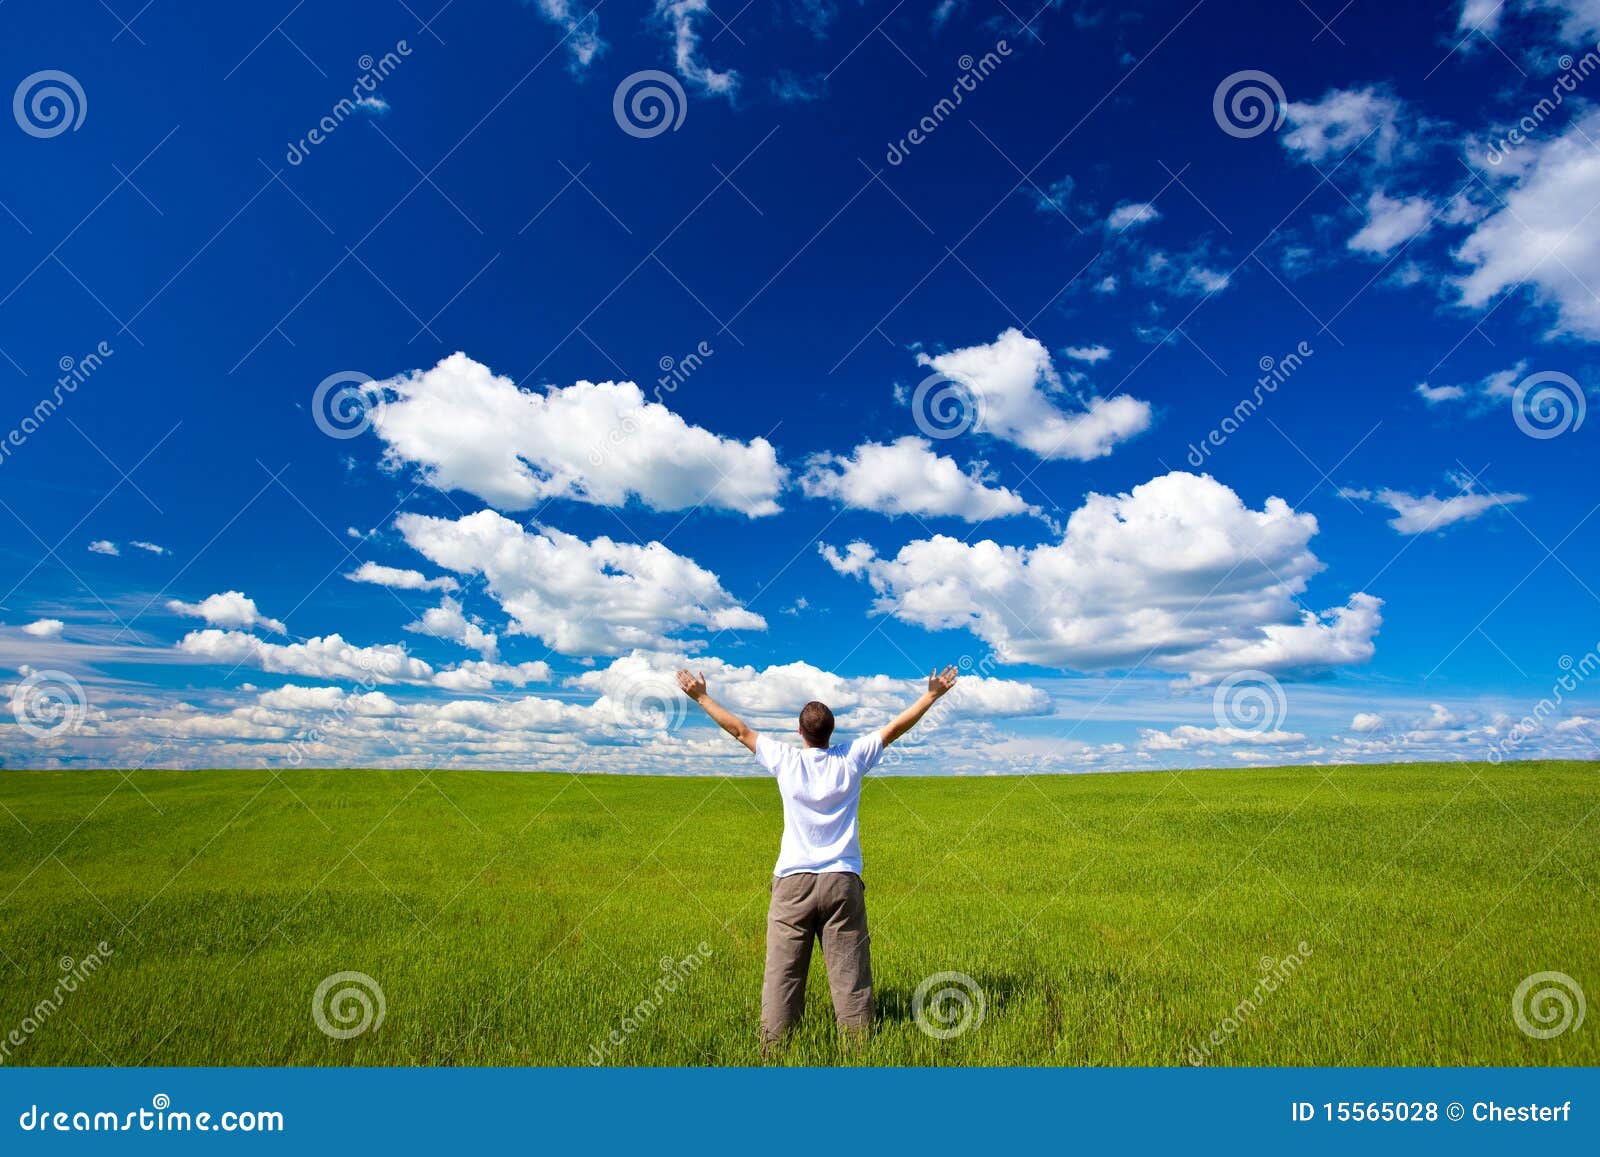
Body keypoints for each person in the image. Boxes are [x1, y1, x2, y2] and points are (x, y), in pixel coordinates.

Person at [675, 664, 960, 1047]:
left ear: (799, 732)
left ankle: (775, 1050)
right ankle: (859, 1049)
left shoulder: (785, 759)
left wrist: (700, 696)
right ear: (831, 732)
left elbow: (739, 730)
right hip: (842, 881)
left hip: (792, 883)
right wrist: (931, 695)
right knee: (850, 974)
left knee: (783, 973)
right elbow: (895, 728)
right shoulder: (852, 758)